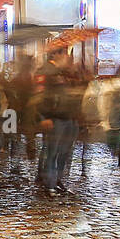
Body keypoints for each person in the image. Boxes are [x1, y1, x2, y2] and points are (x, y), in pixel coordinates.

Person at [39, 48, 85, 195]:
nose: (67, 56)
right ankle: (50, 184)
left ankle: (58, 181)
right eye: (64, 53)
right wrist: (44, 117)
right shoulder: (46, 70)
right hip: (55, 118)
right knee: (53, 152)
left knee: (64, 153)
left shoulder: (64, 72)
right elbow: (40, 95)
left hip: (69, 117)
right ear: (55, 54)